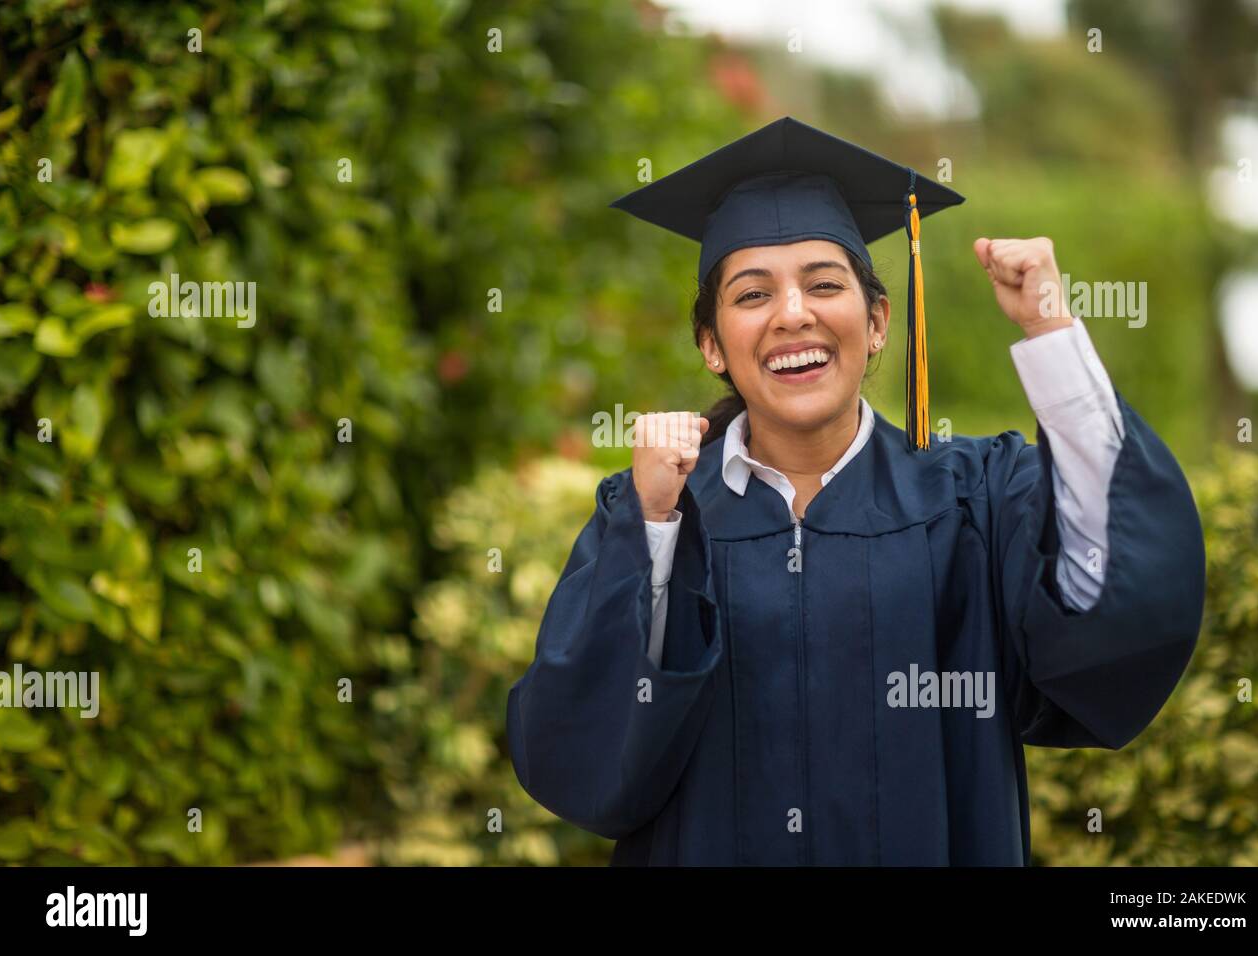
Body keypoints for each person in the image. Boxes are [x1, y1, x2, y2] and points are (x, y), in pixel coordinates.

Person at [505, 117, 1206, 865]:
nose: (793, 313)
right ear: (711, 344)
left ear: (876, 323)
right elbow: (583, 753)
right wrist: (651, 524)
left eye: (824, 284)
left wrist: (1051, 333)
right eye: (751, 295)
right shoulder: (655, 508)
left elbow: (1115, 603)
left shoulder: (975, 499)